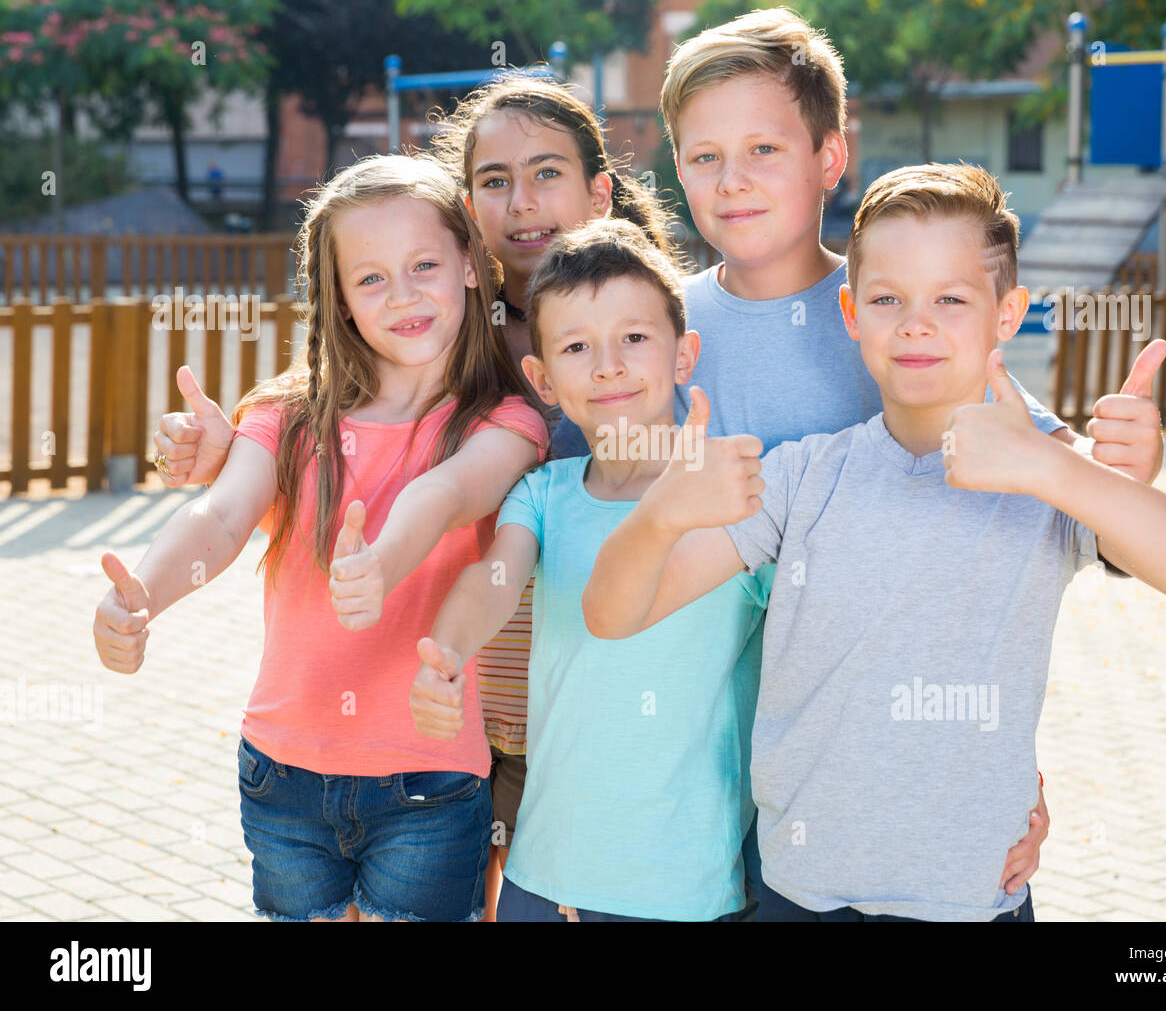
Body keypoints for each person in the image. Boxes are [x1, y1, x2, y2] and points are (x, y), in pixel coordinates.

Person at [582, 162, 1166, 921]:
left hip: (969, 900)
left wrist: (1056, 466)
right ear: (851, 313)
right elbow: (613, 614)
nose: (916, 324)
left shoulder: (1049, 486)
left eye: (951, 299)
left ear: (1007, 313)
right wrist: (661, 514)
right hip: (800, 893)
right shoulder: (801, 478)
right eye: (888, 300)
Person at [656, 7, 1166, 910]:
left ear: (829, 158)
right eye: (704, 156)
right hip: (682, 778)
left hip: (863, 799)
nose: (733, 181)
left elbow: (1033, 513)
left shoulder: (905, 318)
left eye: (764, 150)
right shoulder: (651, 329)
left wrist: (999, 771)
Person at [147, 75, 685, 920]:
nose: (523, 202)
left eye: (547, 172)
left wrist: (380, 561)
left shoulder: (625, 341)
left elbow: (441, 493)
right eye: (496, 181)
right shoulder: (432, 367)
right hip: (449, 720)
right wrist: (170, 551)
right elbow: (247, 500)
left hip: (563, 717)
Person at [93, 153, 549, 922]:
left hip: (429, 784)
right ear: (337, 299)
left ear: (472, 266)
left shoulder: (507, 421)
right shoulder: (284, 414)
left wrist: (381, 562)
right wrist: (142, 596)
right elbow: (222, 517)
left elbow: (446, 495)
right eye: (370, 278)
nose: (402, 294)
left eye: (425, 265)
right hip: (282, 775)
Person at [409, 218, 769, 921]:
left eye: (634, 338)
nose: (608, 365)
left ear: (684, 354)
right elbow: (494, 579)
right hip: (543, 873)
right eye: (577, 347)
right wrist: (446, 653)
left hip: (681, 884)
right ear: (541, 378)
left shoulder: (737, 491)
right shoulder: (545, 493)